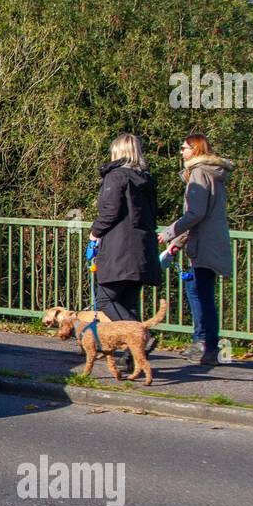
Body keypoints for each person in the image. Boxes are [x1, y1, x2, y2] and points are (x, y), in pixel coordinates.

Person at [159, 133, 234, 366]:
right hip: (209, 243)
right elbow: (199, 217)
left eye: (184, 148)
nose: (181, 152)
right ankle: (204, 344)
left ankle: (204, 345)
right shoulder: (213, 174)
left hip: (203, 246)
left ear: (196, 150)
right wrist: (175, 245)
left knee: (199, 295)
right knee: (201, 294)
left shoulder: (200, 173)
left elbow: (195, 214)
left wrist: (169, 233)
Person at [89, 134, 161, 369]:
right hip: (141, 249)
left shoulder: (116, 176)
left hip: (118, 249)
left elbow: (110, 210)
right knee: (128, 302)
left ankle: (141, 335)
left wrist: (94, 234)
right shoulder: (146, 180)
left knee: (105, 298)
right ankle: (130, 358)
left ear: (117, 152)